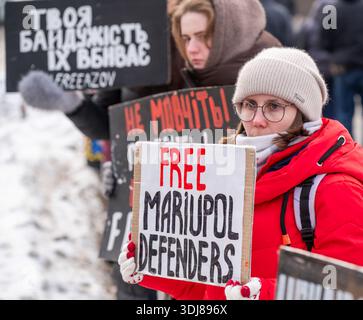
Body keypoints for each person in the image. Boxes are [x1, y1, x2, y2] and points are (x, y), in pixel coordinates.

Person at [119, 47, 363, 300]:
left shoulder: (335, 187)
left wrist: (264, 294)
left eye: (274, 106)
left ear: (302, 113)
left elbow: (347, 291)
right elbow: (207, 289)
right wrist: (151, 266)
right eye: (249, 105)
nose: (257, 119)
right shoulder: (222, 173)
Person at [319, 0, 363, 135]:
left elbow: (324, 40)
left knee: (344, 113)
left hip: (342, 66)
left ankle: (347, 150)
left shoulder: (331, 10)